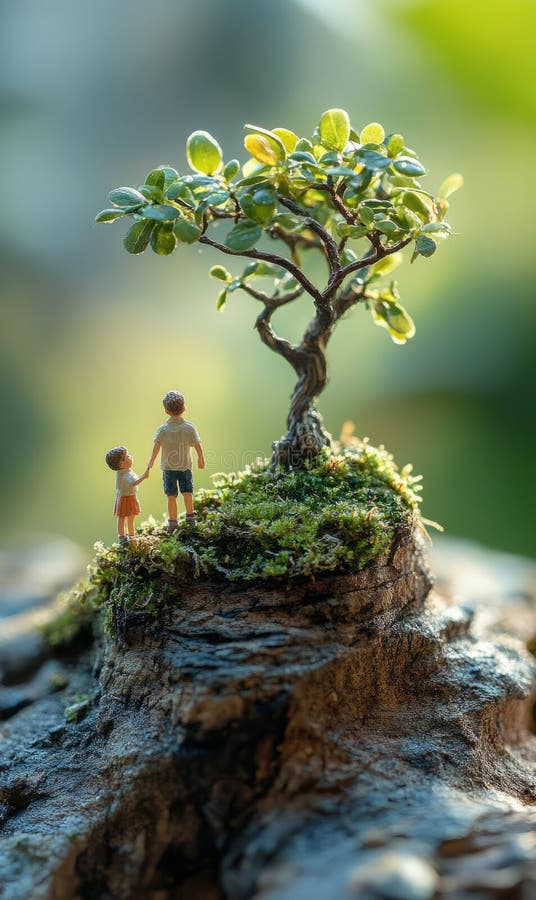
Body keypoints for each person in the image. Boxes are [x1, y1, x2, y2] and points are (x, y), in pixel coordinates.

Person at [145, 390, 205, 532]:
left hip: (169, 467)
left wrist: (151, 462)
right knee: (187, 492)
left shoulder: (163, 430)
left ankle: (173, 522)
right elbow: (197, 444)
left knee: (171, 495)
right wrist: (201, 458)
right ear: (184, 408)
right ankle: (190, 518)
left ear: (165, 410)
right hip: (185, 466)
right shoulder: (189, 428)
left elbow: (156, 447)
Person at [105, 446, 148, 545]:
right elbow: (134, 482)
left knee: (126, 517)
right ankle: (125, 536)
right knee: (125, 517)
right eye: (127, 456)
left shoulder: (127, 471)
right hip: (126, 498)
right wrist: (144, 477)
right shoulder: (124, 474)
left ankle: (129, 535)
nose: (130, 457)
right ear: (121, 463)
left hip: (129, 496)